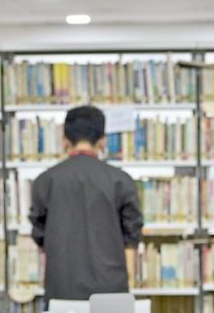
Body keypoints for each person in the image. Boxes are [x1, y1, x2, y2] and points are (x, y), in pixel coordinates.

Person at [28, 105, 144, 302]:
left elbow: (39, 234)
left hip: (61, 286)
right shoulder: (121, 180)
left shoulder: (45, 181)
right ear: (102, 141)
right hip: (110, 286)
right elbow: (132, 234)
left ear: (64, 141)